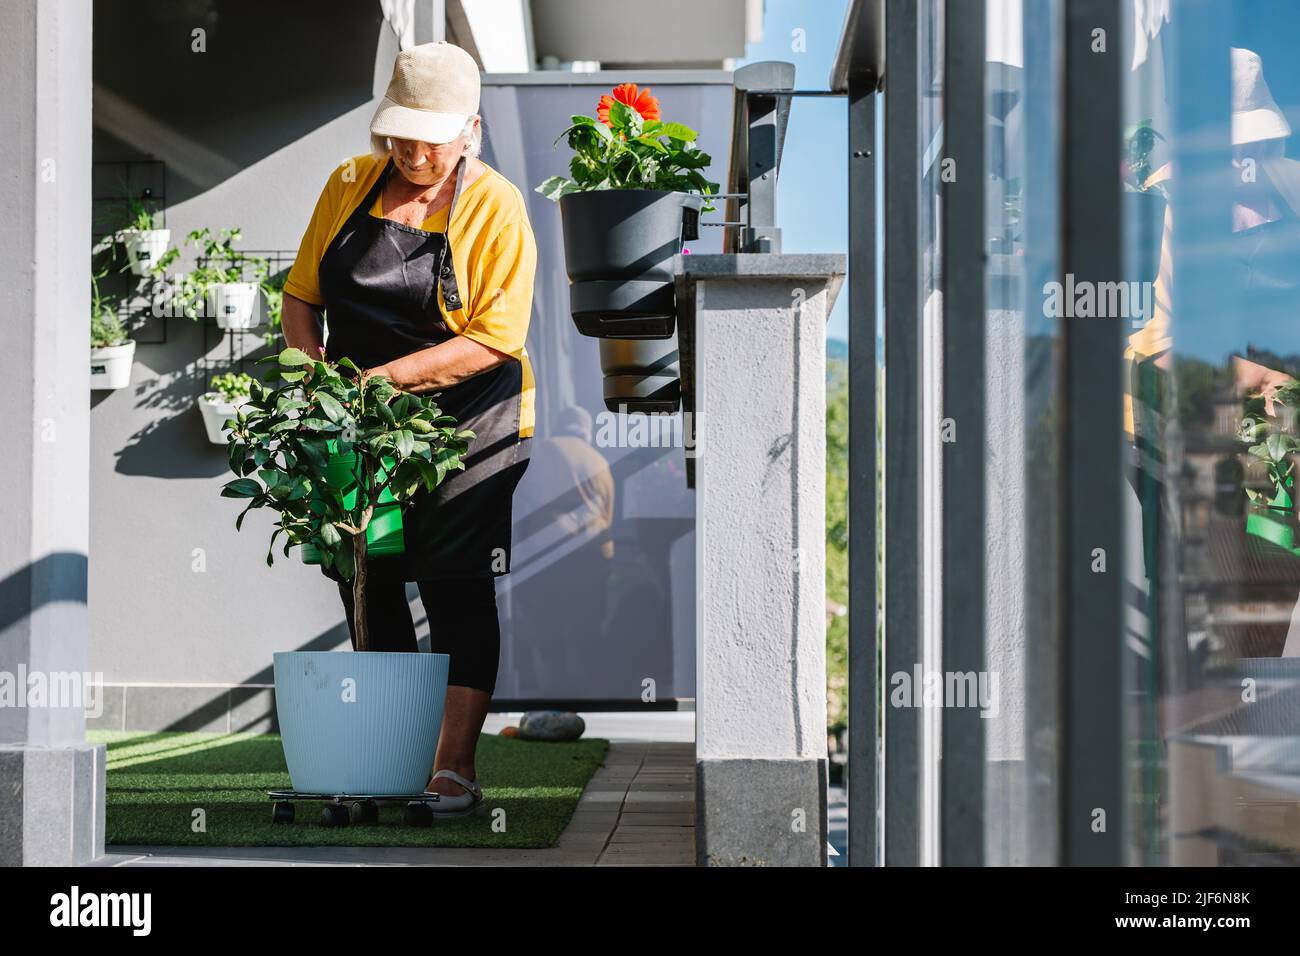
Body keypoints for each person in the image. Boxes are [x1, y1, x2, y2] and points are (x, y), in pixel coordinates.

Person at [280, 40, 538, 813]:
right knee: (370, 582)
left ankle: (452, 768)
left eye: (431, 136)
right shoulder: (347, 186)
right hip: (356, 427)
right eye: (399, 132)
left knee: (455, 586)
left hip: (469, 427)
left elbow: (494, 336)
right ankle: (384, 758)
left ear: (471, 130)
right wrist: (316, 375)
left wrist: (382, 380)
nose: (413, 151)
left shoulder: (496, 205)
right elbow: (301, 298)